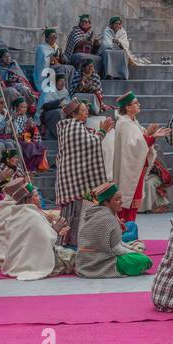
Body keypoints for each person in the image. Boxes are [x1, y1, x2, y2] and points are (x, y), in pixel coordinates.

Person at [0, 178, 68, 281]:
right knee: (70, 257)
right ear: (28, 200)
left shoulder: (13, 208)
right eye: (36, 196)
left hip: (7, 260)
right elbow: (43, 241)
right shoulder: (29, 215)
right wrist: (54, 230)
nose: (40, 198)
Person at [102, 91, 170, 223]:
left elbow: (140, 140)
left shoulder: (133, 122)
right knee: (126, 205)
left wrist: (151, 134)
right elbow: (133, 147)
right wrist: (152, 136)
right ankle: (125, 234)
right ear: (127, 107)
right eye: (136, 103)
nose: (139, 104)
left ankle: (131, 233)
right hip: (128, 171)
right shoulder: (124, 123)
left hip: (136, 171)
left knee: (134, 204)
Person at [54, 100, 112, 245]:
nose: (87, 113)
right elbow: (91, 144)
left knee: (75, 212)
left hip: (72, 175)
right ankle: (74, 242)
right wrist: (103, 131)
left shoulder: (69, 126)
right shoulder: (73, 126)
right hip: (75, 177)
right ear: (74, 114)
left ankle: (70, 241)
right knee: (76, 213)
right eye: (84, 111)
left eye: (87, 110)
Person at [76, 181, 153, 278]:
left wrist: (131, 248)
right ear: (106, 202)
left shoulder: (101, 211)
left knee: (131, 226)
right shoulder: (107, 218)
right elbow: (116, 249)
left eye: (121, 199)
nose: (121, 202)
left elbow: (116, 243)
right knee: (144, 261)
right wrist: (134, 252)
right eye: (117, 200)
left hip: (85, 261)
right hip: (97, 262)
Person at [34, 28, 73, 94]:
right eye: (51, 37)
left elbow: (63, 60)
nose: (53, 39)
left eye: (55, 37)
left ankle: (68, 89)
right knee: (63, 68)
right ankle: (62, 89)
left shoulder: (56, 46)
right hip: (47, 68)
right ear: (46, 38)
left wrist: (61, 55)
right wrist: (50, 58)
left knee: (71, 68)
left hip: (57, 66)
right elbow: (42, 62)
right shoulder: (41, 48)